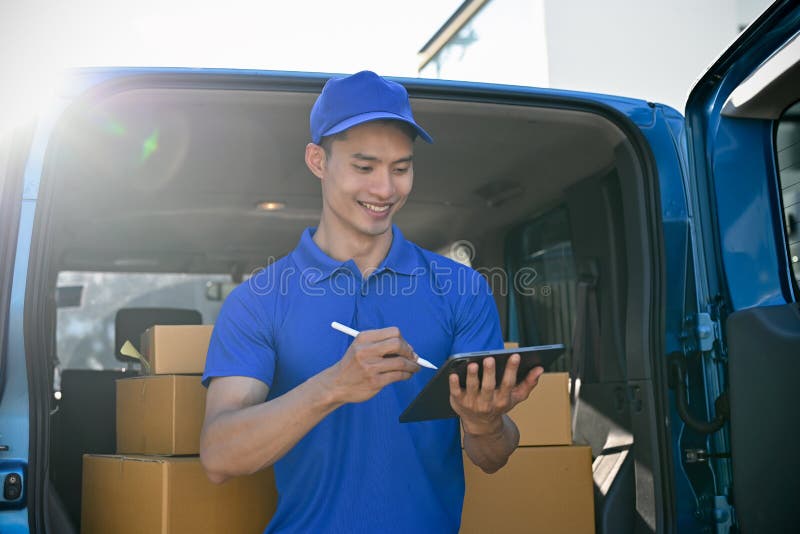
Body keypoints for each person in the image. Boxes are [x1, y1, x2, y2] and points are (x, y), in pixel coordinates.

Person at [199, 70, 544, 533]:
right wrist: (333, 386)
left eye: (401, 168)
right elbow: (220, 456)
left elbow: (492, 458)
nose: (385, 190)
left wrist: (484, 425)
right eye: (364, 167)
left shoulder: (462, 289)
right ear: (317, 161)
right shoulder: (259, 300)